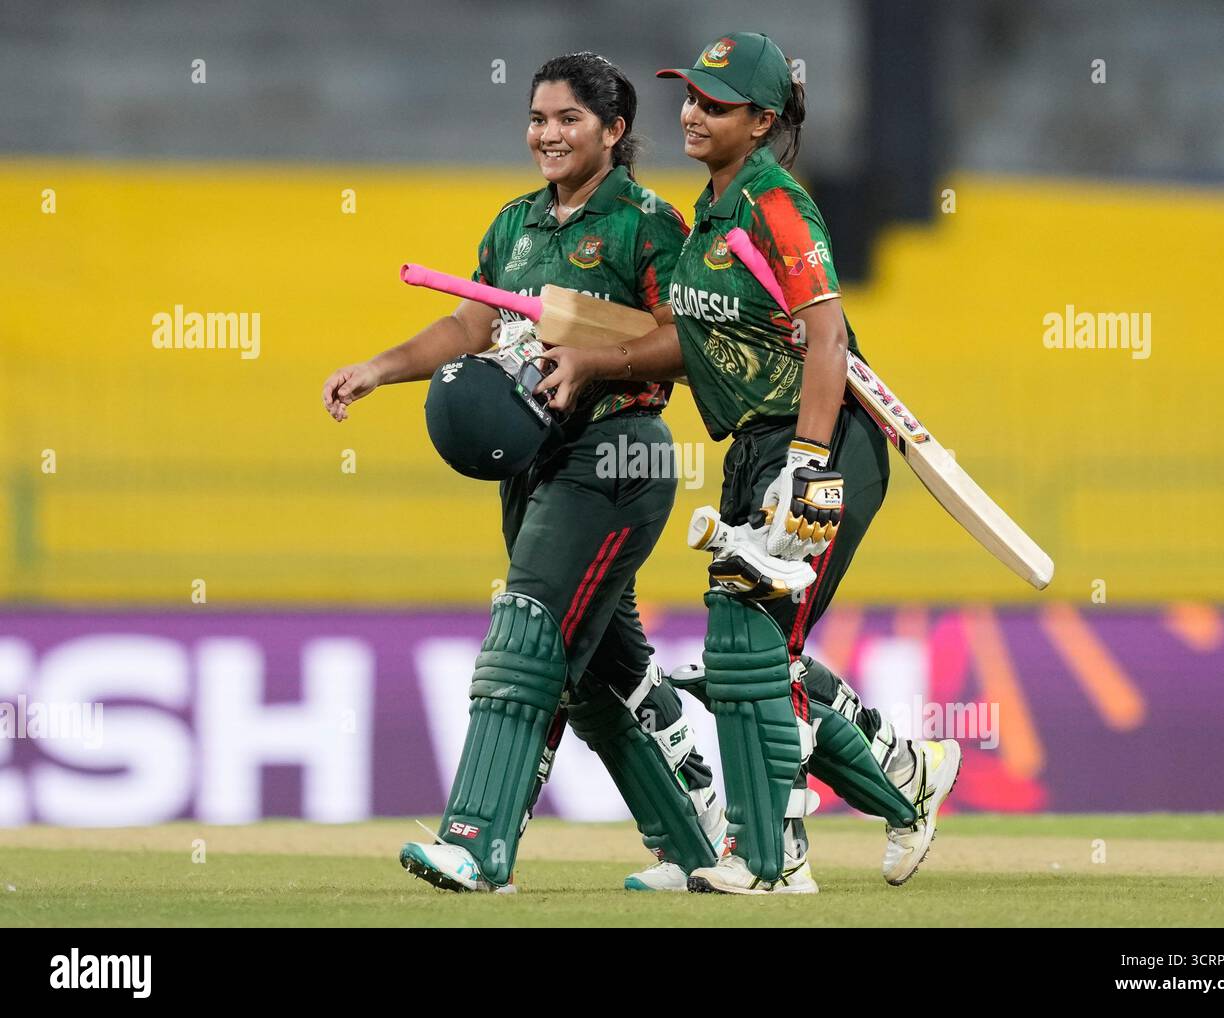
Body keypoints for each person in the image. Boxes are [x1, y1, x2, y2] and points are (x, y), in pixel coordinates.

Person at [539, 32, 960, 894]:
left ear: (763, 120)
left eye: (717, 103)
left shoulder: (778, 205)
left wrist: (809, 465)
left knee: (749, 643)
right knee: (762, 648)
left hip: (819, 440)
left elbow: (827, 336)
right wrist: (594, 360)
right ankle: (906, 776)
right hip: (753, 448)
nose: (693, 113)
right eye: (691, 97)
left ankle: (773, 861)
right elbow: (694, 344)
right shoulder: (714, 215)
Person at [321, 52, 725, 893]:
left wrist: (595, 361)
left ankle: (478, 842)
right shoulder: (515, 225)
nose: (547, 133)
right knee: (593, 676)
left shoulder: (650, 225)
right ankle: (701, 852)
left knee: (528, 631)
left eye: (568, 119)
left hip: (617, 455)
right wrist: (379, 367)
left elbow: (689, 342)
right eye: (538, 118)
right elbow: (471, 326)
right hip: (539, 465)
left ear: (613, 131)